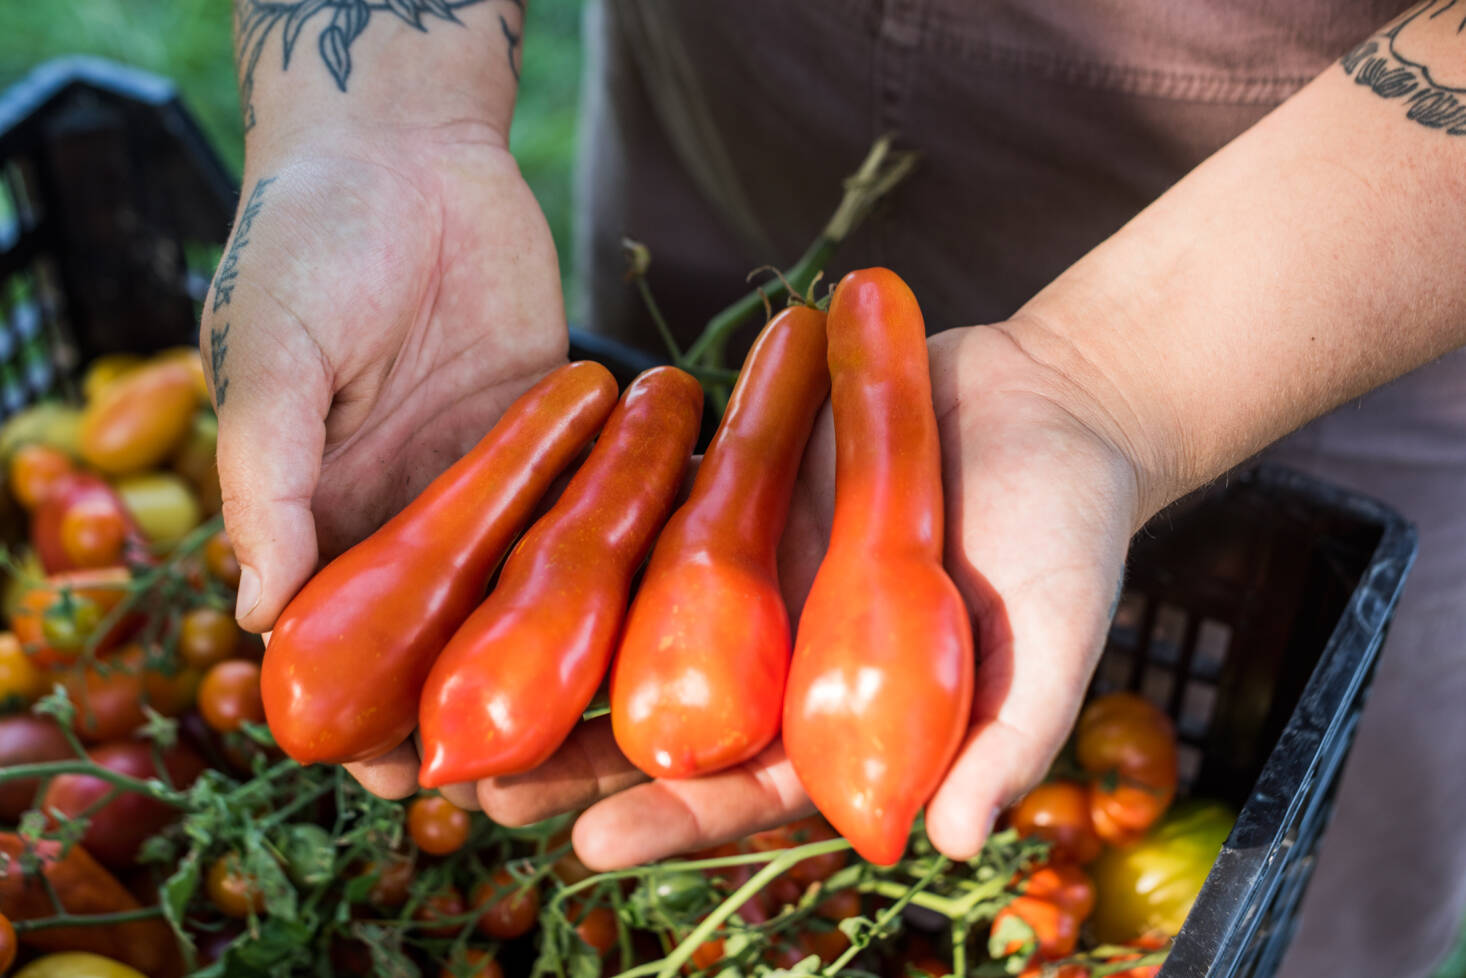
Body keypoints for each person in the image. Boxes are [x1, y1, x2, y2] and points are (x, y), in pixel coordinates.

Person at [205, 1, 1466, 975]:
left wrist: (1103, 384)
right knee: (687, 411)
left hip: (1340, 249)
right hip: (732, 106)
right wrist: (381, 126)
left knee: (1315, 840)